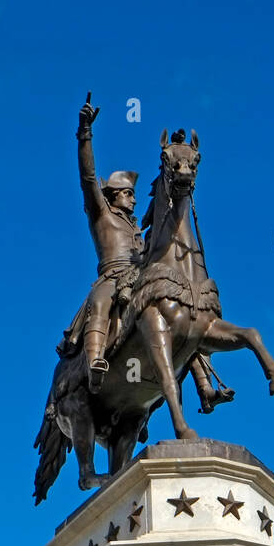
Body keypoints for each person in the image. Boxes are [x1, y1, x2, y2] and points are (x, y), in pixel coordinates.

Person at [58, 94, 232, 409]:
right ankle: (96, 360)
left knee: (181, 313)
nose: (134, 200)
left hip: (142, 276)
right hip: (113, 277)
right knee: (101, 301)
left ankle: (205, 383)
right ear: (112, 196)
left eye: (134, 195)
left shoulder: (139, 230)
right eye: (127, 194)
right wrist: (85, 133)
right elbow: (86, 177)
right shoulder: (102, 215)